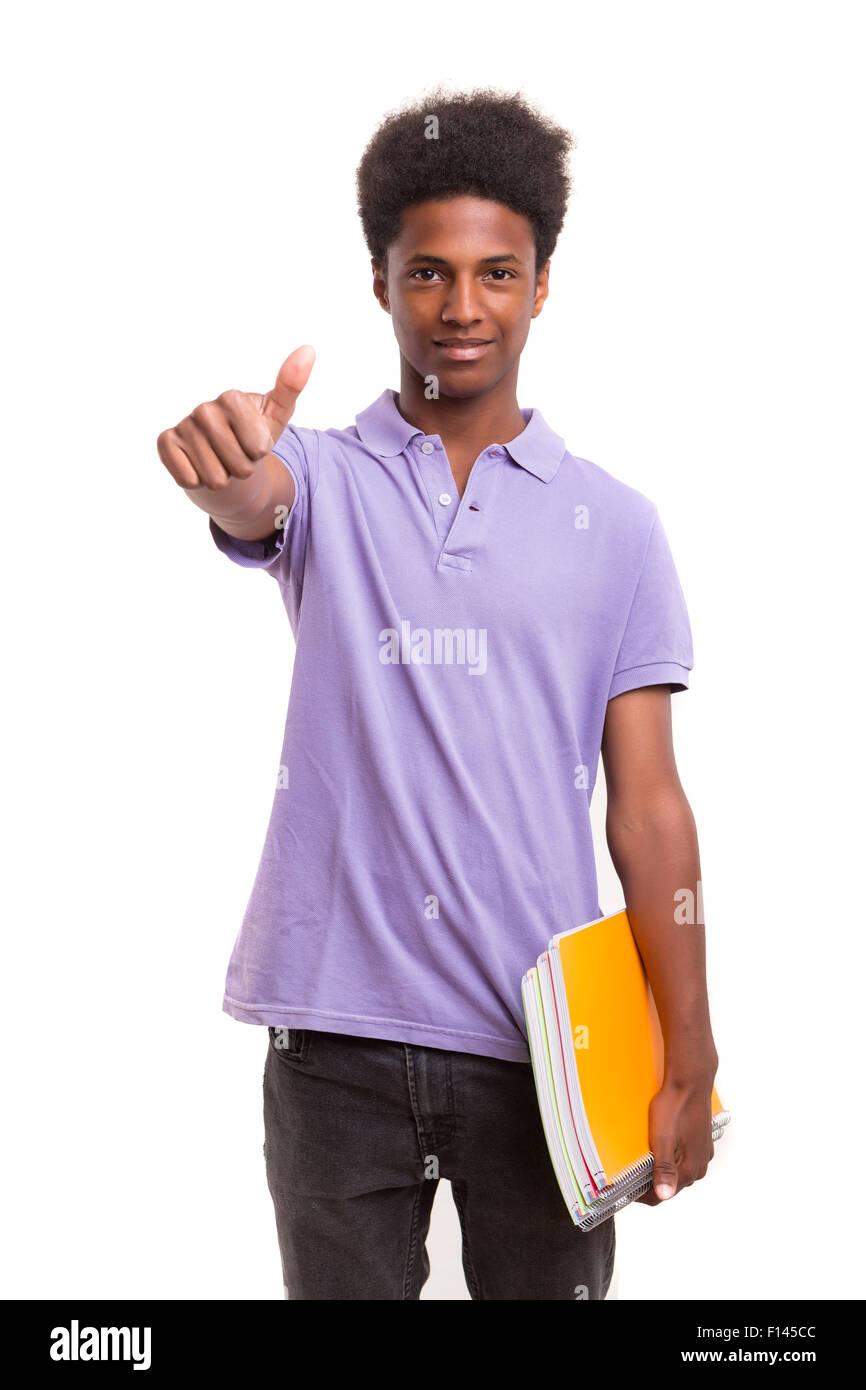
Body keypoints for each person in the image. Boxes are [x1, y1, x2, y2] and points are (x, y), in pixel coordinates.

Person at [156, 86, 719, 1301]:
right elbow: (253, 499)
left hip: (542, 1051)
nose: (461, 308)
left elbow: (650, 810)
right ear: (381, 283)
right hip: (331, 1048)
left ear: (541, 282)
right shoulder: (321, 474)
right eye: (426, 274)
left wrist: (688, 1044)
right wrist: (226, 471)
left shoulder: (615, 527)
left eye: (496, 272)